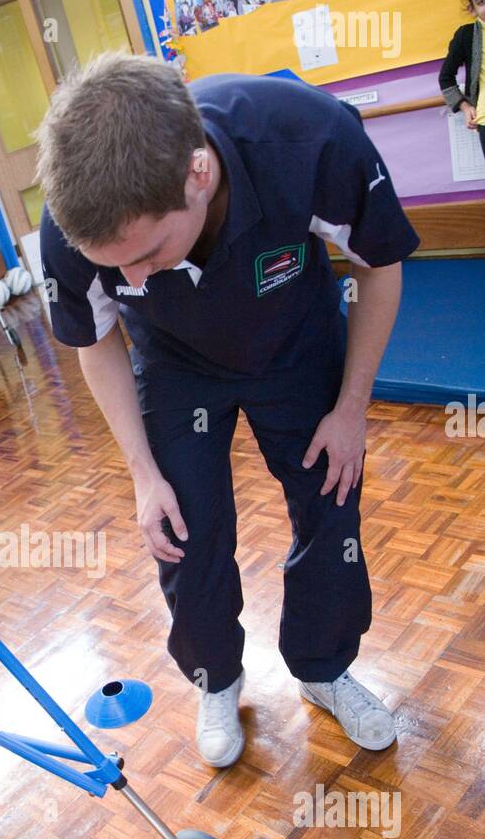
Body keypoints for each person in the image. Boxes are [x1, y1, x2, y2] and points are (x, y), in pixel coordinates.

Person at [38, 55, 419, 768]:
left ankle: (323, 668)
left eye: (147, 253)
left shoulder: (309, 140)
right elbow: (95, 342)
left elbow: (379, 265)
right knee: (183, 528)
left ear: (199, 174)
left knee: (331, 502)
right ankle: (217, 678)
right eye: (112, 266)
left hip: (296, 339)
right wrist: (141, 474)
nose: (130, 279)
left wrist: (352, 409)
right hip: (177, 365)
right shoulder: (73, 221)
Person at [439, 0, 485, 159]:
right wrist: (465, 107)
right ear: (472, 9)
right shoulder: (466, 35)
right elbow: (445, 78)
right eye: (482, 1)